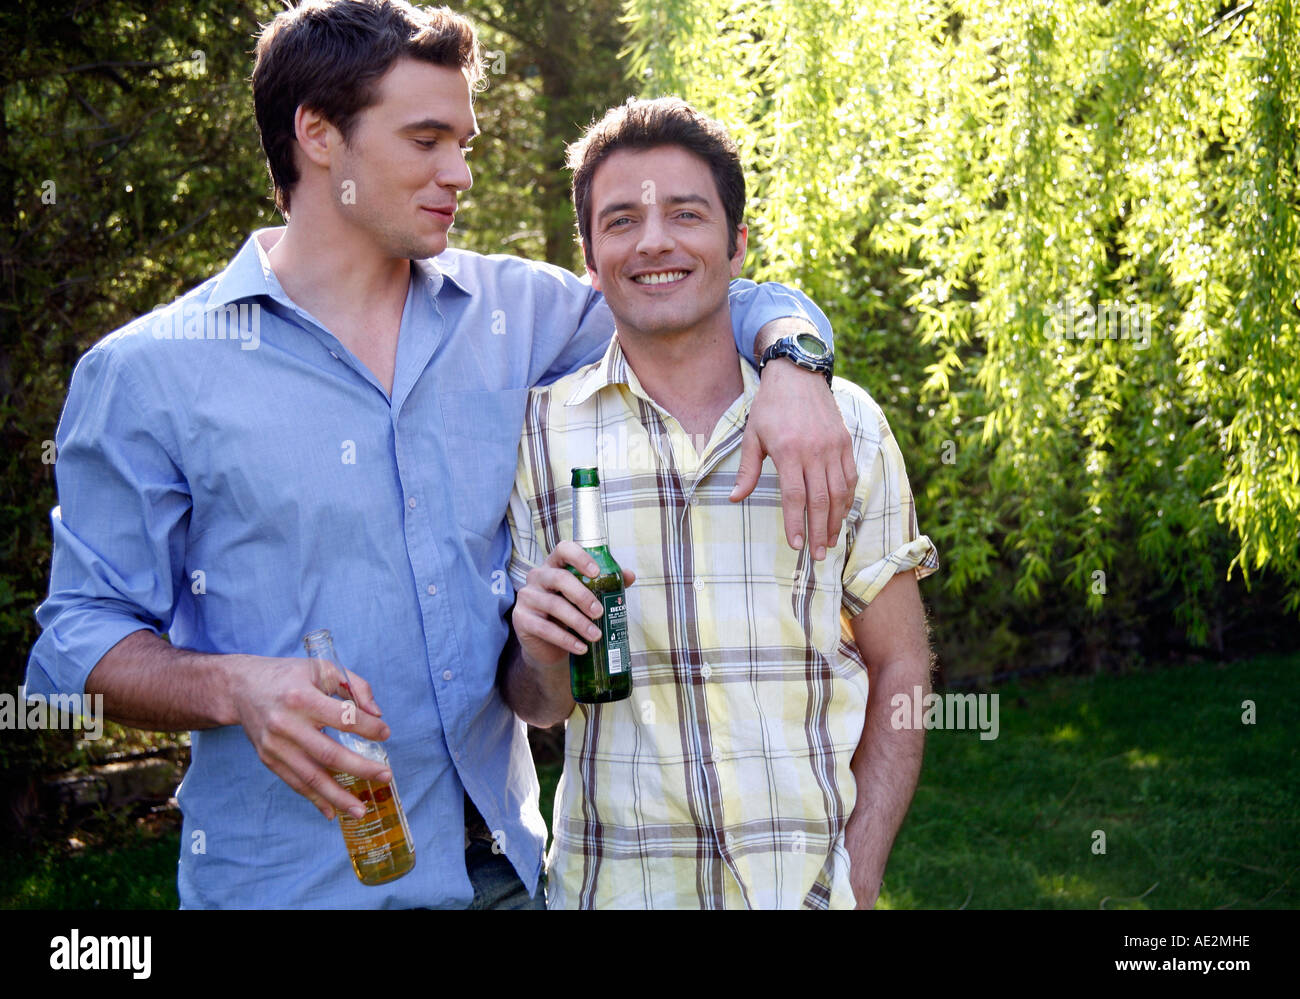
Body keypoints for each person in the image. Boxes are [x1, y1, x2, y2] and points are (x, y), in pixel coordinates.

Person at [23, 0, 855, 909]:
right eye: (427, 140)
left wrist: (792, 357)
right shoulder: (151, 372)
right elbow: (77, 644)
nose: (459, 172)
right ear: (318, 136)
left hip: (507, 871)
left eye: (464, 141)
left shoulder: (520, 315)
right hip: (290, 888)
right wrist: (234, 687)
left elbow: (684, 293)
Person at [504, 97, 938, 909]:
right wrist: (540, 651)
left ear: (738, 245)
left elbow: (902, 662)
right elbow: (540, 705)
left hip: (804, 892)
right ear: (591, 260)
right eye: (622, 219)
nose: (655, 240)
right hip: (611, 890)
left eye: (686, 214)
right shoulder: (538, 434)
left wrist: (863, 871)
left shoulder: (847, 427)